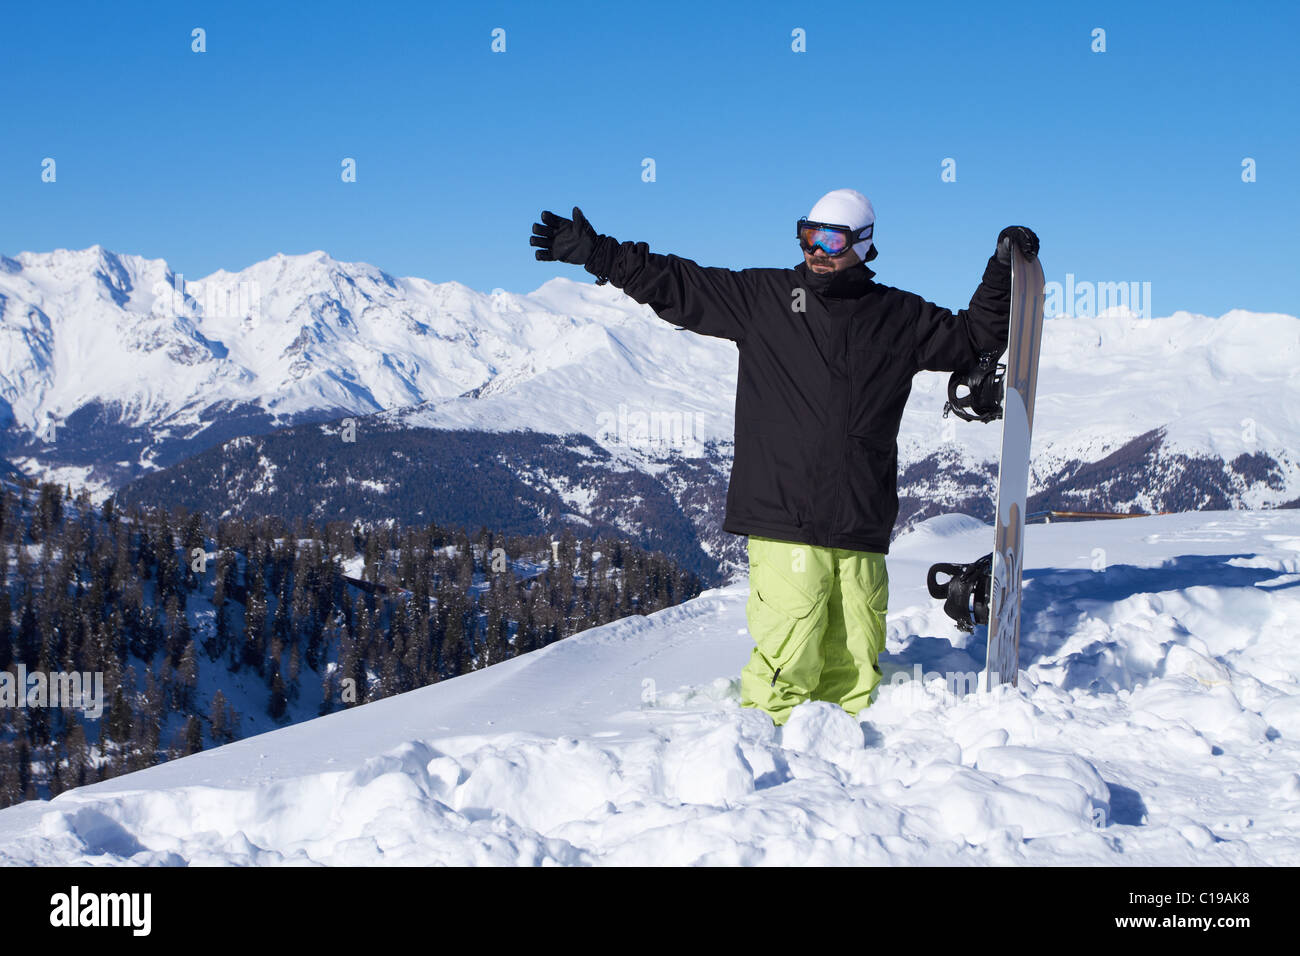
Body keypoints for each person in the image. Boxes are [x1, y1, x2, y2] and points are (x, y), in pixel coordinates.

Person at [531, 189, 1038, 725]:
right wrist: (599, 253)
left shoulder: (898, 316)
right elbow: (678, 284)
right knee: (791, 647)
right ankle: (772, 748)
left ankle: (852, 756)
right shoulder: (767, 298)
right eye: (808, 235)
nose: (816, 250)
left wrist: (1002, 271)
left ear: (863, 245)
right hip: (783, 512)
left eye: (831, 238)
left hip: (859, 517)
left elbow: (971, 338)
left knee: (858, 647)